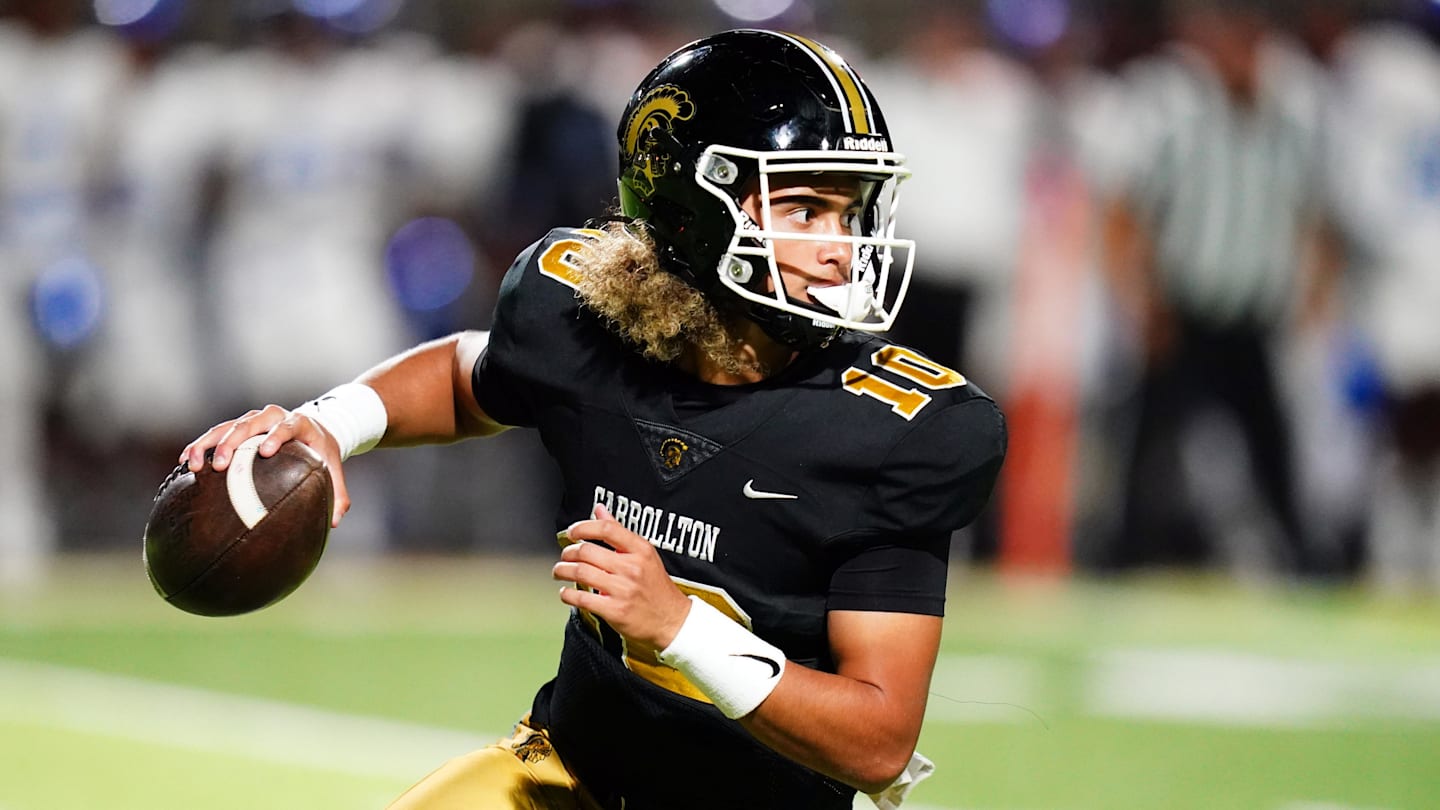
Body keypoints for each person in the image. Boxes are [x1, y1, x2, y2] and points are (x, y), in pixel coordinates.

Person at [181, 29, 1007, 810]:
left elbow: (878, 741)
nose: (840, 245)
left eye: (849, 209)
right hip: (569, 771)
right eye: (803, 209)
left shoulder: (898, 430)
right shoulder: (589, 317)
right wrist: (332, 424)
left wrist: (682, 630)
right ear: (693, 208)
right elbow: (470, 375)